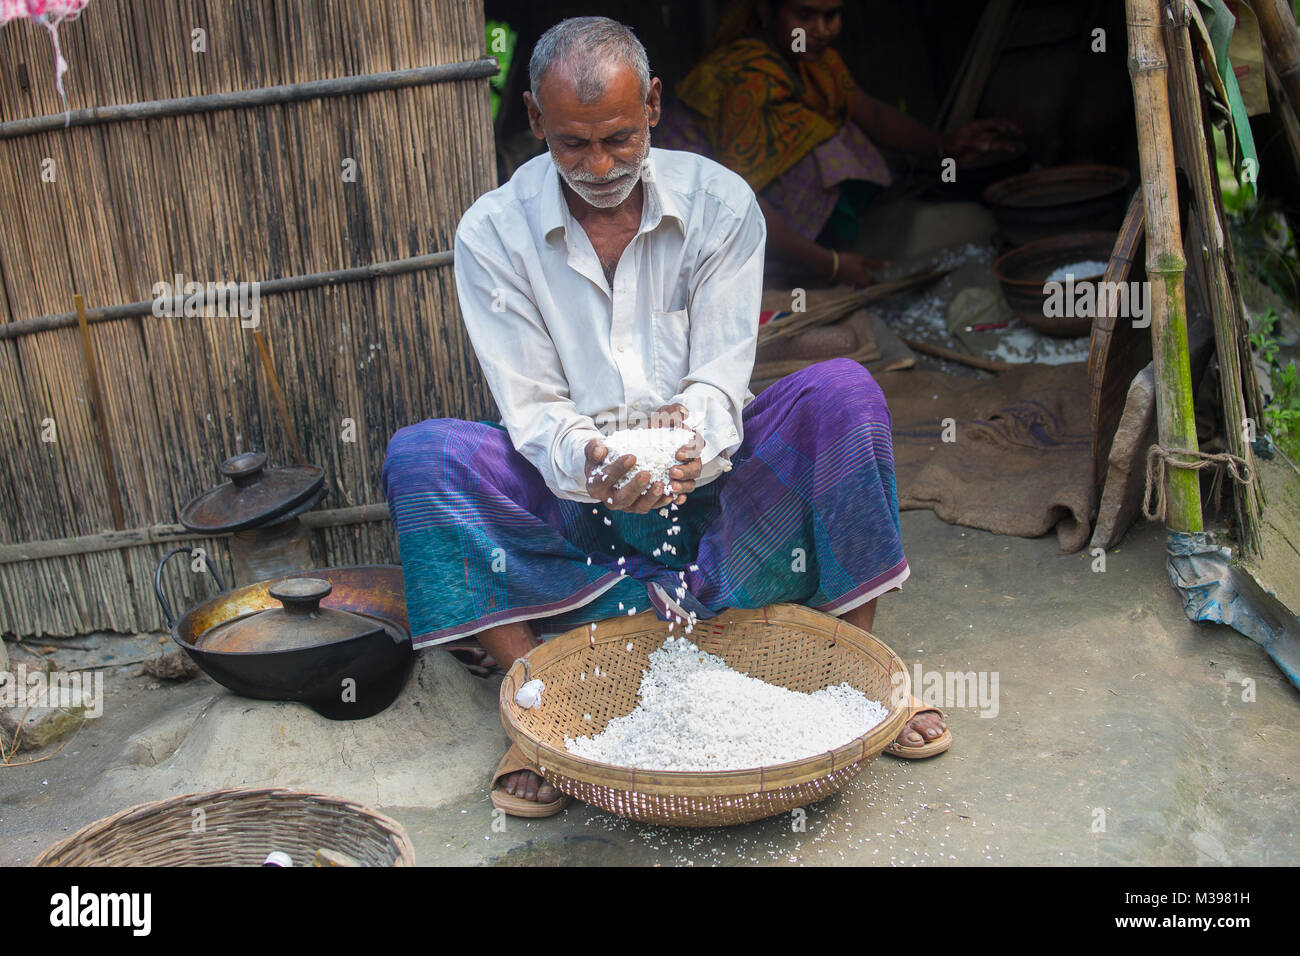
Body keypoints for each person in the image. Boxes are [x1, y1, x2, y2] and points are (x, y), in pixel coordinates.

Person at [382, 16, 947, 818]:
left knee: (844, 394)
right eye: (573, 145)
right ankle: (540, 706)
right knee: (422, 458)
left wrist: (691, 441)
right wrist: (593, 464)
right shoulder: (493, 233)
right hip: (576, 509)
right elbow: (533, 406)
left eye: (618, 137)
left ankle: (853, 673)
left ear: (652, 105)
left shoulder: (719, 202)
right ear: (536, 124)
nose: (600, 166)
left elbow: (721, 377)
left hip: (715, 494)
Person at [658, 0, 1018, 285]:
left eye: (832, 15)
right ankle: (791, 263)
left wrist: (944, 146)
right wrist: (831, 265)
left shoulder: (817, 62)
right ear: (767, 10)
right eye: (805, 15)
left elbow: (872, 115)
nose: (822, 30)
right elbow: (740, 200)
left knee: (839, 136)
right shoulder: (748, 79)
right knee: (828, 151)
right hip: (691, 218)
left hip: (748, 198)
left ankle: (808, 251)